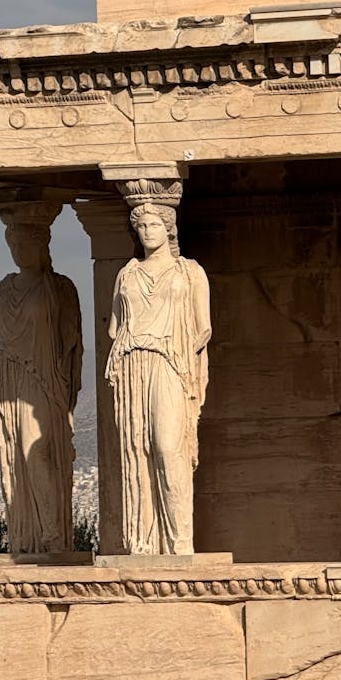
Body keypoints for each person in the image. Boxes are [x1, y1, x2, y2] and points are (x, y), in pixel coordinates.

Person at [107, 203, 210, 555]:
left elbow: (202, 329)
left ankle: (179, 540)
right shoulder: (127, 274)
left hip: (171, 363)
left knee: (168, 446)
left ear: (168, 228)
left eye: (154, 224)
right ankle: (144, 542)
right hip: (133, 364)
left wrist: (175, 352)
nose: (147, 231)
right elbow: (114, 328)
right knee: (138, 448)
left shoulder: (189, 272)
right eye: (141, 226)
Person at [0, 203, 82, 554]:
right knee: (13, 451)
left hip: (44, 377)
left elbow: (71, 341)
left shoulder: (60, 288)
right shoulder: (3, 288)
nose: (19, 251)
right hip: (7, 373)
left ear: (43, 245)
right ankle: (26, 536)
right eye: (13, 244)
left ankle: (53, 531)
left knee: (35, 447)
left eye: (26, 244)